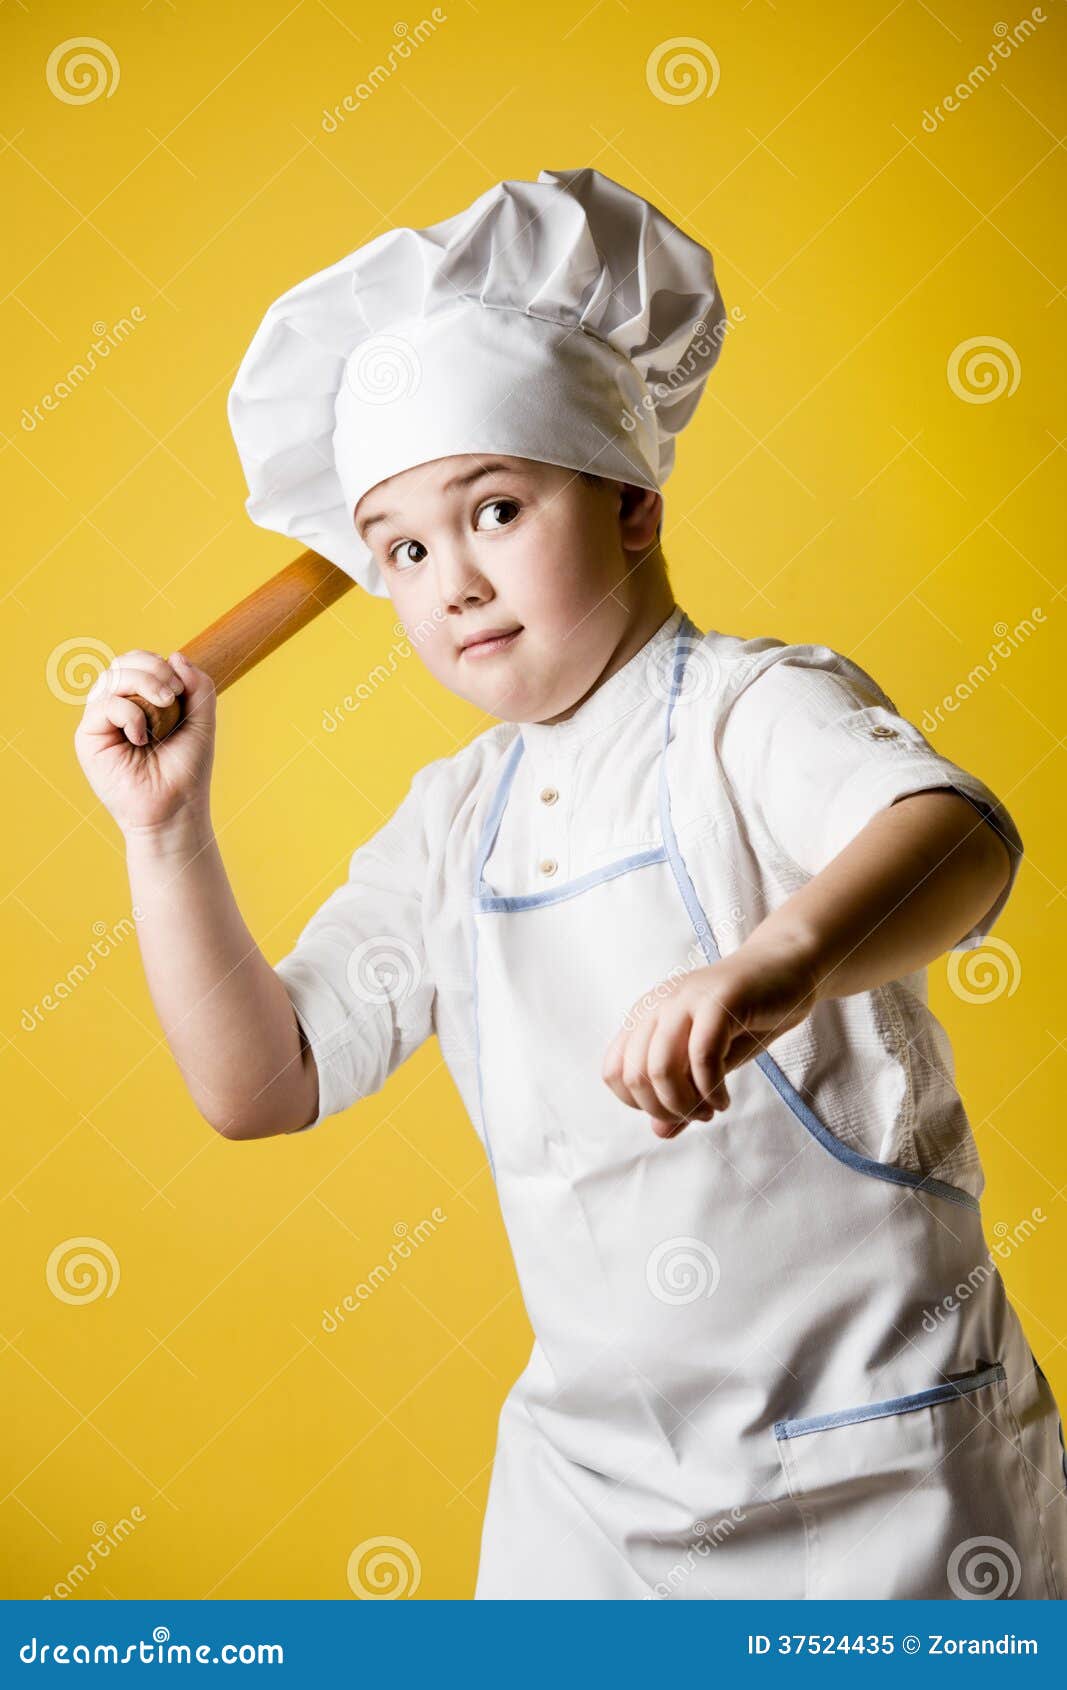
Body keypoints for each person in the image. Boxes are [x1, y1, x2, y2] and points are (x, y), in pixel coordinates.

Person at [74, 168, 1067, 1600]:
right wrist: (164, 833)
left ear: (634, 508)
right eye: (404, 547)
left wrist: (773, 962)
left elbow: (962, 839)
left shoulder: (755, 708)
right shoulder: (451, 822)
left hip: (877, 1464)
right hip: (590, 1497)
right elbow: (263, 1081)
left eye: (495, 507)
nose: (453, 580)